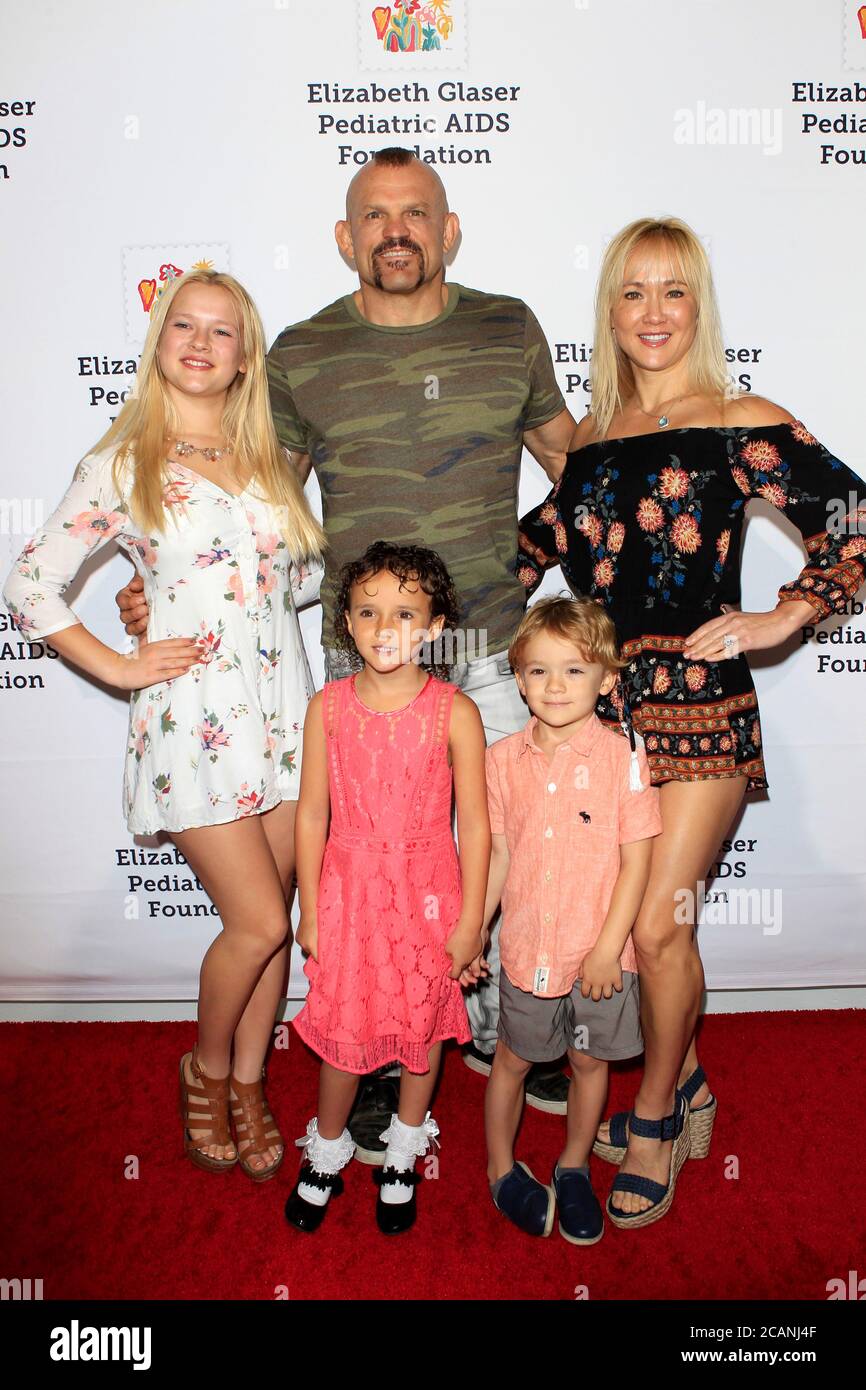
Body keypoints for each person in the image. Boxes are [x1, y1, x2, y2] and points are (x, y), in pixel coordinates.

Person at [114, 147, 578, 1150]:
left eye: (416, 212)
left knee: (507, 853)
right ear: (344, 236)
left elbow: (572, 464)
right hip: (356, 666)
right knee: (366, 865)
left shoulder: (509, 328)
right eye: (373, 216)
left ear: (448, 230)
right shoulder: (303, 353)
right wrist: (162, 578)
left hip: (493, 653)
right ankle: (368, 1044)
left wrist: (533, 557)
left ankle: (511, 1021)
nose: (395, 230)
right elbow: (253, 507)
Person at [515, 217, 866, 1228]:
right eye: (633, 292)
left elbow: (851, 519)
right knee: (611, 929)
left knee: (660, 923)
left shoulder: (738, 418)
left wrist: (783, 613)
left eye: (673, 292)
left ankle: (659, 1112)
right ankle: (693, 1075)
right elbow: (529, 552)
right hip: (603, 720)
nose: (653, 312)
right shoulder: (586, 447)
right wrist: (405, 607)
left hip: (703, 713)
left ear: (697, 306)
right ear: (609, 313)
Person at [3, 268, 325, 1182]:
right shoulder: (122, 461)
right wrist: (117, 662)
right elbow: (28, 585)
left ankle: (254, 1085)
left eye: (222, 332)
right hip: (193, 726)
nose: (199, 341)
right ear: (158, 342)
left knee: (278, 917)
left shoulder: (266, 457)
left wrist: (184, 596)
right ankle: (207, 1071)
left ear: (243, 357)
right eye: (184, 324)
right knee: (258, 922)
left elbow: (296, 581)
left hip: (285, 720)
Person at [284, 541, 490, 1234]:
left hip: (429, 892)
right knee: (345, 1024)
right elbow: (312, 812)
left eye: (404, 614)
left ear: (434, 628)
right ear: (345, 620)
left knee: (421, 1030)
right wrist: (311, 907)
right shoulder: (329, 708)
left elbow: (479, 828)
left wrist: (470, 927)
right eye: (368, 611)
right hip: (348, 891)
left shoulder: (454, 710)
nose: (383, 628)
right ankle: (326, 1152)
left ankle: (404, 1152)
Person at [470, 597, 662, 1242]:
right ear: (517, 676)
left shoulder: (624, 758)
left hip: (600, 958)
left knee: (587, 1064)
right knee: (513, 1063)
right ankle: (500, 1168)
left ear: (608, 679)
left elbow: (637, 866)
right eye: (538, 671)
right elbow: (497, 854)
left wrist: (610, 950)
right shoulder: (498, 762)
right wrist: (473, 928)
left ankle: (574, 1165)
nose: (555, 687)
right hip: (526, 951)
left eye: (575, 671)